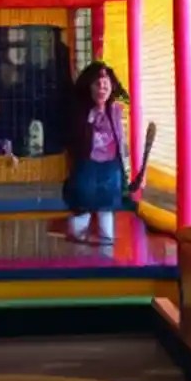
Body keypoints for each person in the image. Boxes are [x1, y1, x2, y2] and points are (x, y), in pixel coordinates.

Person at [61, 61, 129, 244]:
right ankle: (76, 241)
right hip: (87, 165)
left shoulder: (115, 111)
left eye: (105, 84)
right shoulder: (80, 113)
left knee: (106, 212)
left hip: (110, 167)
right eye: (97, 84)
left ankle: (105, 245)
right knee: (82, 210)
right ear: (88, 87)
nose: (101, 88)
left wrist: (129, 169)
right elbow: (73, 144)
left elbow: (122, 142)